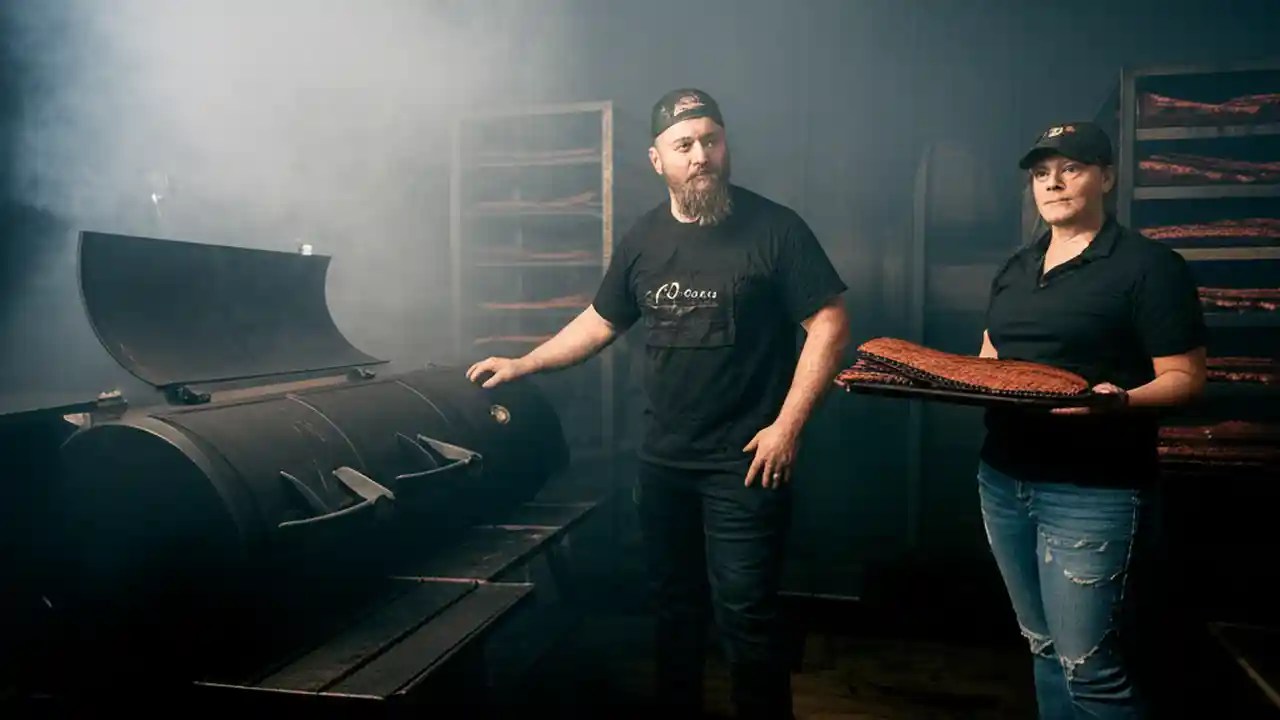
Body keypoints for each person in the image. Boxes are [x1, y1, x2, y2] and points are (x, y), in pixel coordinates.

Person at [466, 88, 851, 718]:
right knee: (673, 611)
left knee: (748, 617)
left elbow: (830, 324)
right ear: (657, 160)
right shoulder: (643, 238)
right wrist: (523, 362)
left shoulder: (777, 229)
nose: (701, 155)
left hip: (747, 461)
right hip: (665, 461)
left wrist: (787, 427)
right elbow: (599, 321)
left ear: (725, 146)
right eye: (684, 145)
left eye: (711, 140)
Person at [977, 121, 1207, 719]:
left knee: (1091, 670)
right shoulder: (1015, 268)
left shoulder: (1148, 266)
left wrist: (1122, 400)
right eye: (1040, 173)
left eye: (1071, 168)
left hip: (1093, 491)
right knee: (1045, 648)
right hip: (1003, 481)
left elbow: (1185, 378)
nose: (1052, 183)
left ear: (1106, 176)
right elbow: (989, 356)